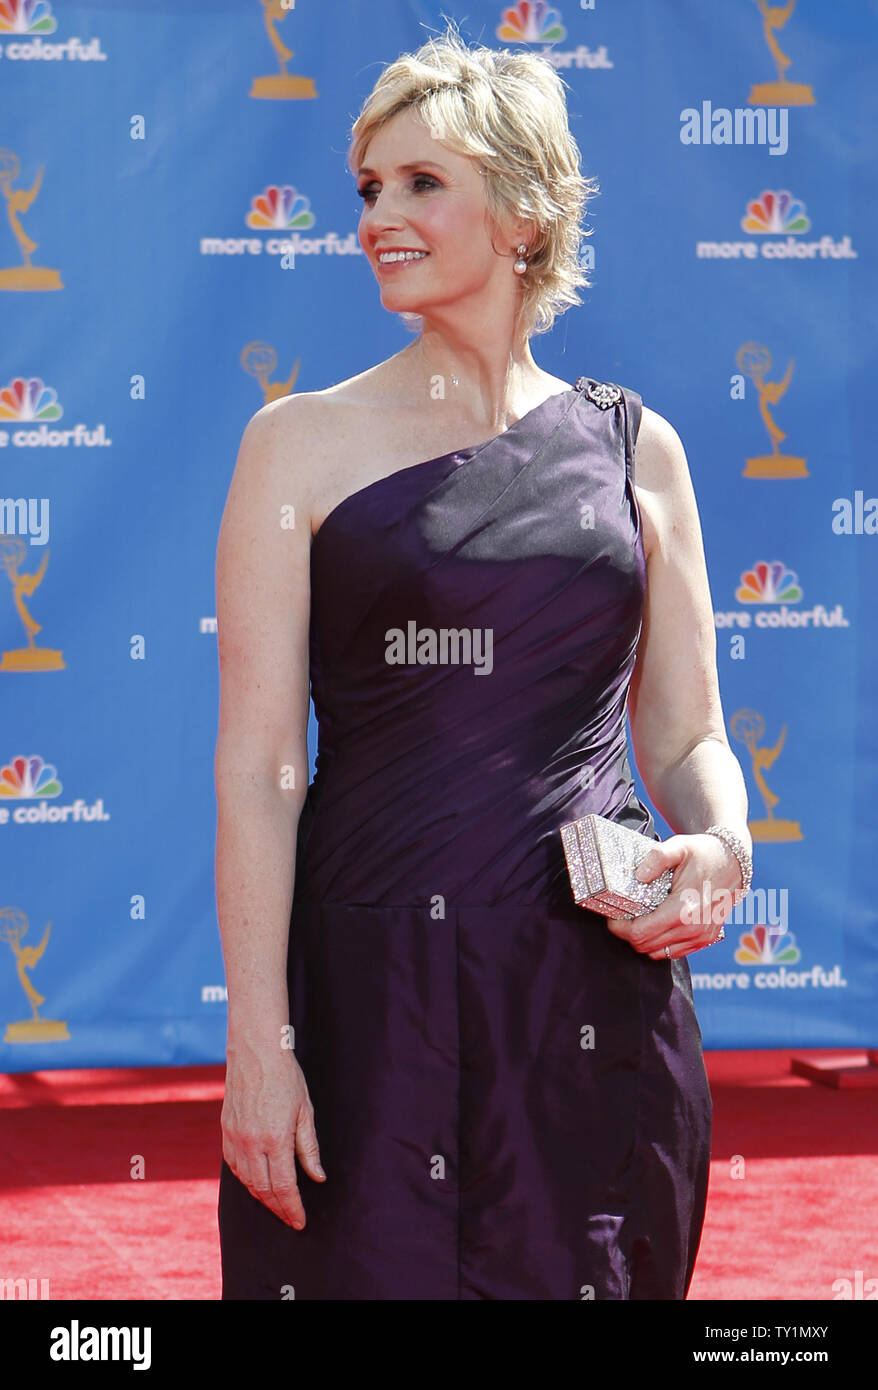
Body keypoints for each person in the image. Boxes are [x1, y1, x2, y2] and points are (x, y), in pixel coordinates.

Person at [214, 25, 753, 1300]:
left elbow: (685, 736)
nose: (377, 218)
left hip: (585, 991)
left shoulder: (635, 450)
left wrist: (719, 846)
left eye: (419, 183)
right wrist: (256, 1038)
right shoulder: (296, 446)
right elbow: (256, 768)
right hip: (370, 993)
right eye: (365, 188)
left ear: (521, 214)